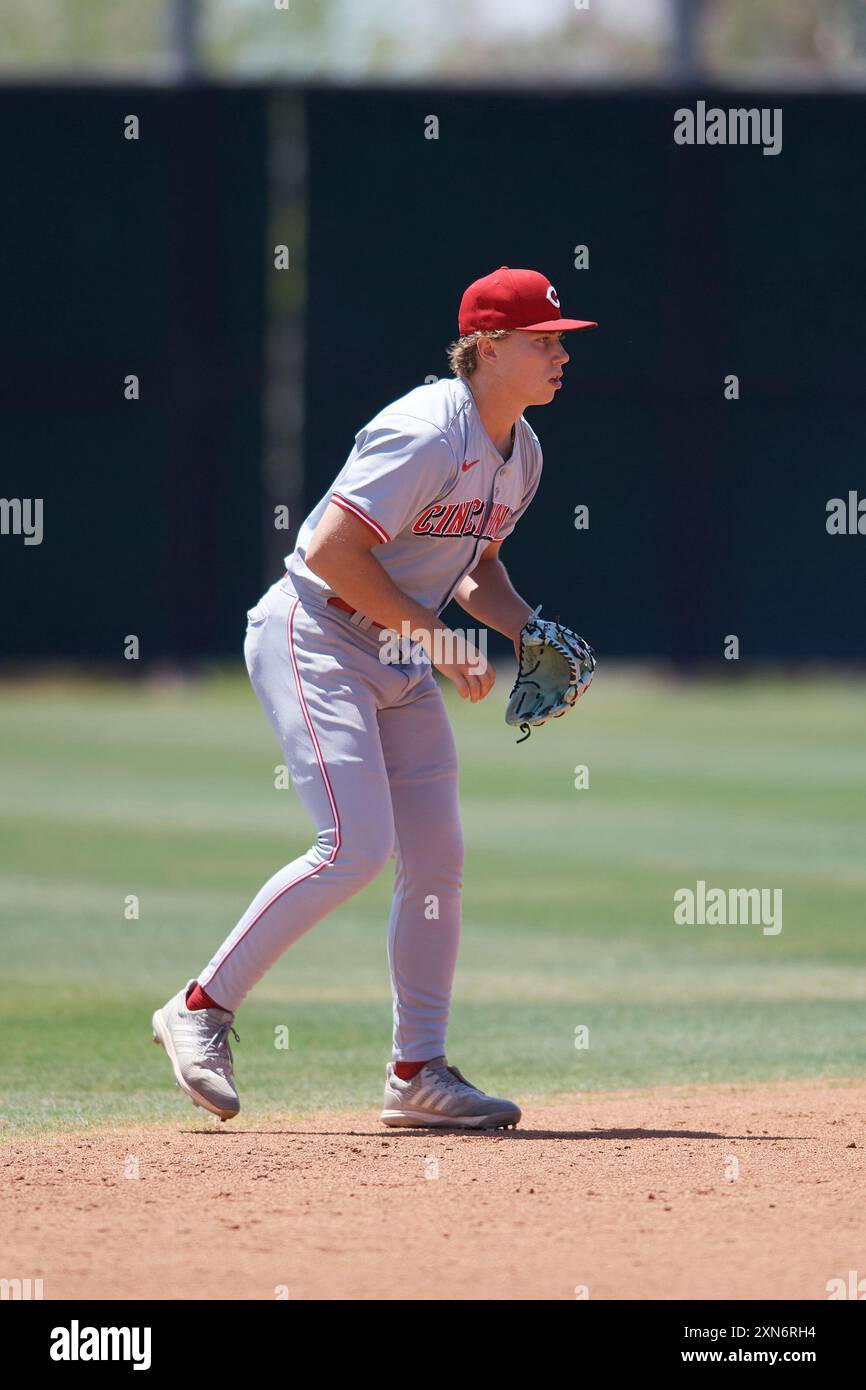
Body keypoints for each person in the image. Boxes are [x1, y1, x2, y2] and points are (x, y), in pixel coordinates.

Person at [152, 266, 597, 1129]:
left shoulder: (523, 454)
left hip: (393, 651)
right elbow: (328, 552)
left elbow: (475, 568)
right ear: (488, 347)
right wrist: (434, 641)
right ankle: (198, 1010)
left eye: (562, 340)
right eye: (543, 340)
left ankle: (417, 1075)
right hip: (313, 633)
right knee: (354, 845)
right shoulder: (427, 429)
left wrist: (527, 631)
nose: (559, 354)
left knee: (437, 863)